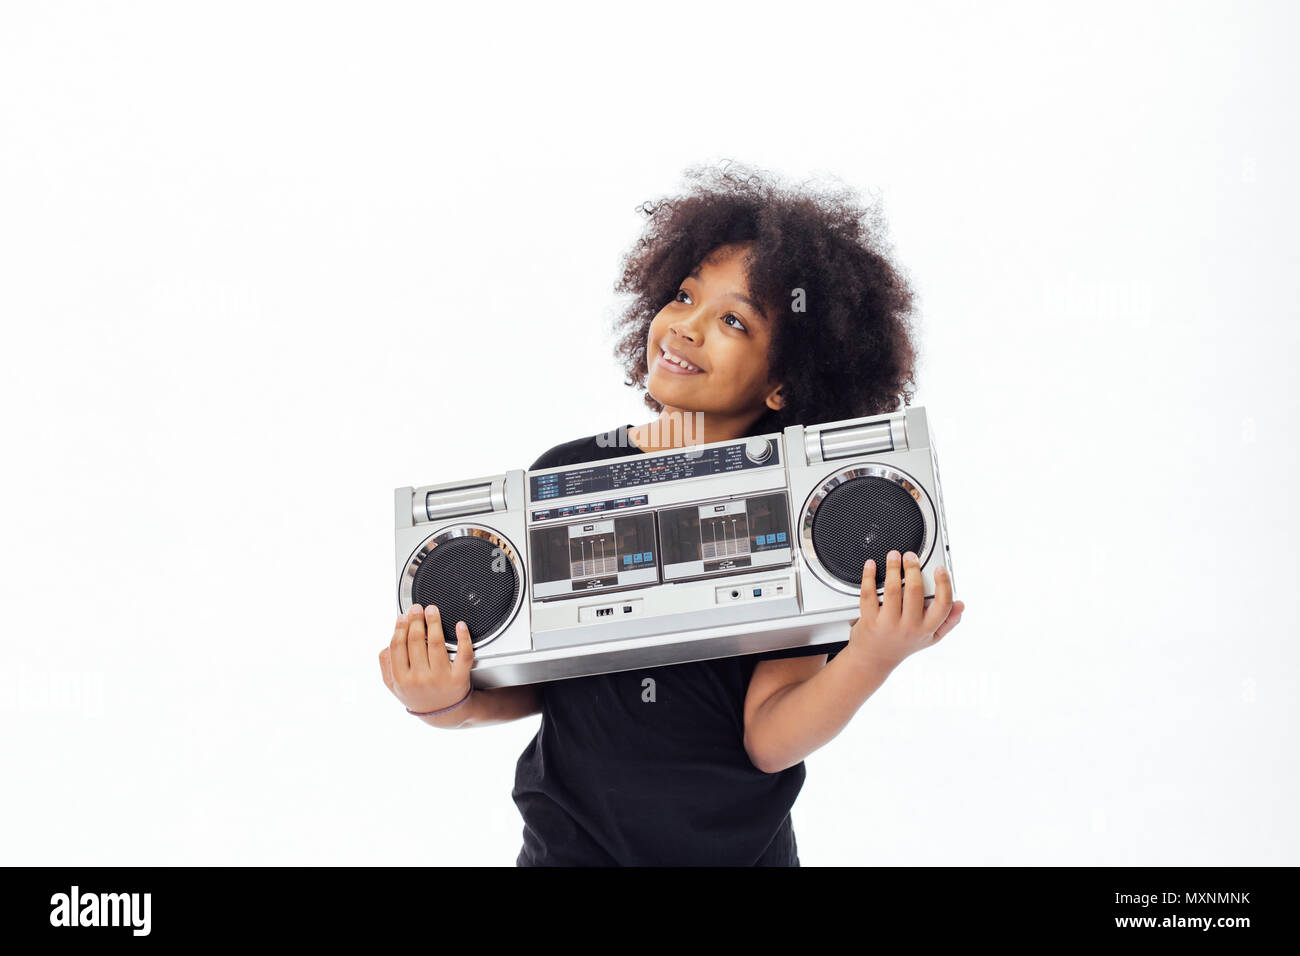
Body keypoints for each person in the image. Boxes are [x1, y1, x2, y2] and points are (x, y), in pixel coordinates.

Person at [378, 161, 967, 865]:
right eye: (685, 295)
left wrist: (874, 656)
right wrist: (443, 699)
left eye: (732, 320)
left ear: (785, 382)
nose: (686, 326)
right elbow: (534, 685)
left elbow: (769, 735)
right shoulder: (566, 472)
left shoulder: (797, 503)